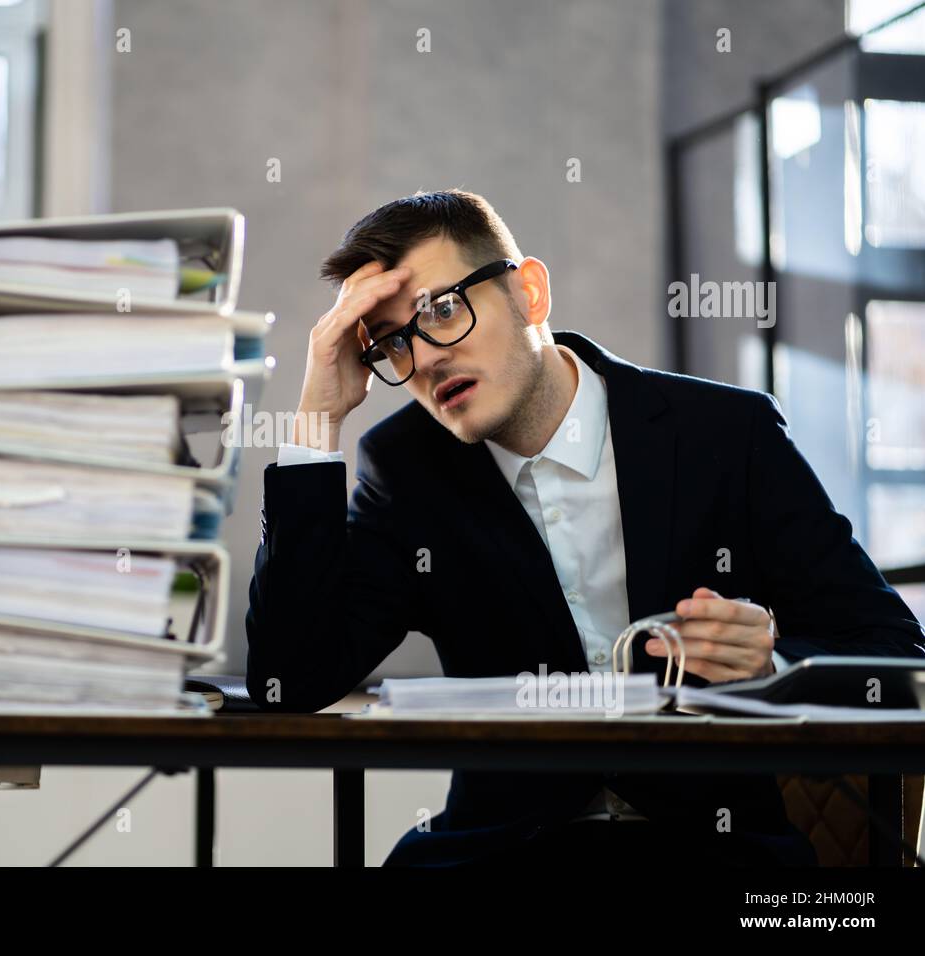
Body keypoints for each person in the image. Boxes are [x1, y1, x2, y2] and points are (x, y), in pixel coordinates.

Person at [244, 188, 925, 867]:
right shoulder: (405, 469)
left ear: (529, 293)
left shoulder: (726, 434)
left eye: (441, 311)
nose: (422, 360)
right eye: (394, 344)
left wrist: (770, 663)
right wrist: (315, 422)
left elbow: (896, 655)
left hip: (717, 853)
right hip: (501, 855)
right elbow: (291, 681)